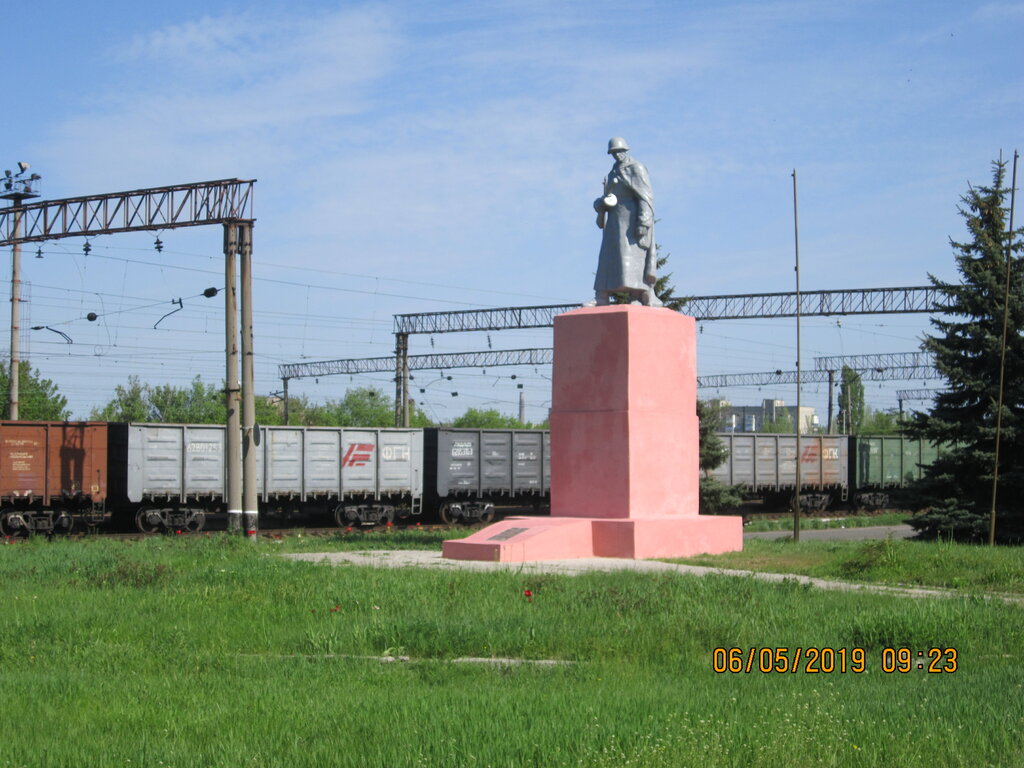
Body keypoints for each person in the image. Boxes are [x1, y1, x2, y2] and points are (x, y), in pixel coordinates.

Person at [592, 137, 661, 307]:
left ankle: (637, 294)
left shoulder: (636, 168)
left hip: (631, 219)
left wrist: (643, 223)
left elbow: (646, 197)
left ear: (626, 150)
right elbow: (609, 194)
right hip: (614, 220)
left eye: (619, 151)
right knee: (607, 258)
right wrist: (601, 203)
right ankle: (602, 295)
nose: (617, 155)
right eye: (613, 153)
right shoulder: (613, 171)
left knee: (631, 258)